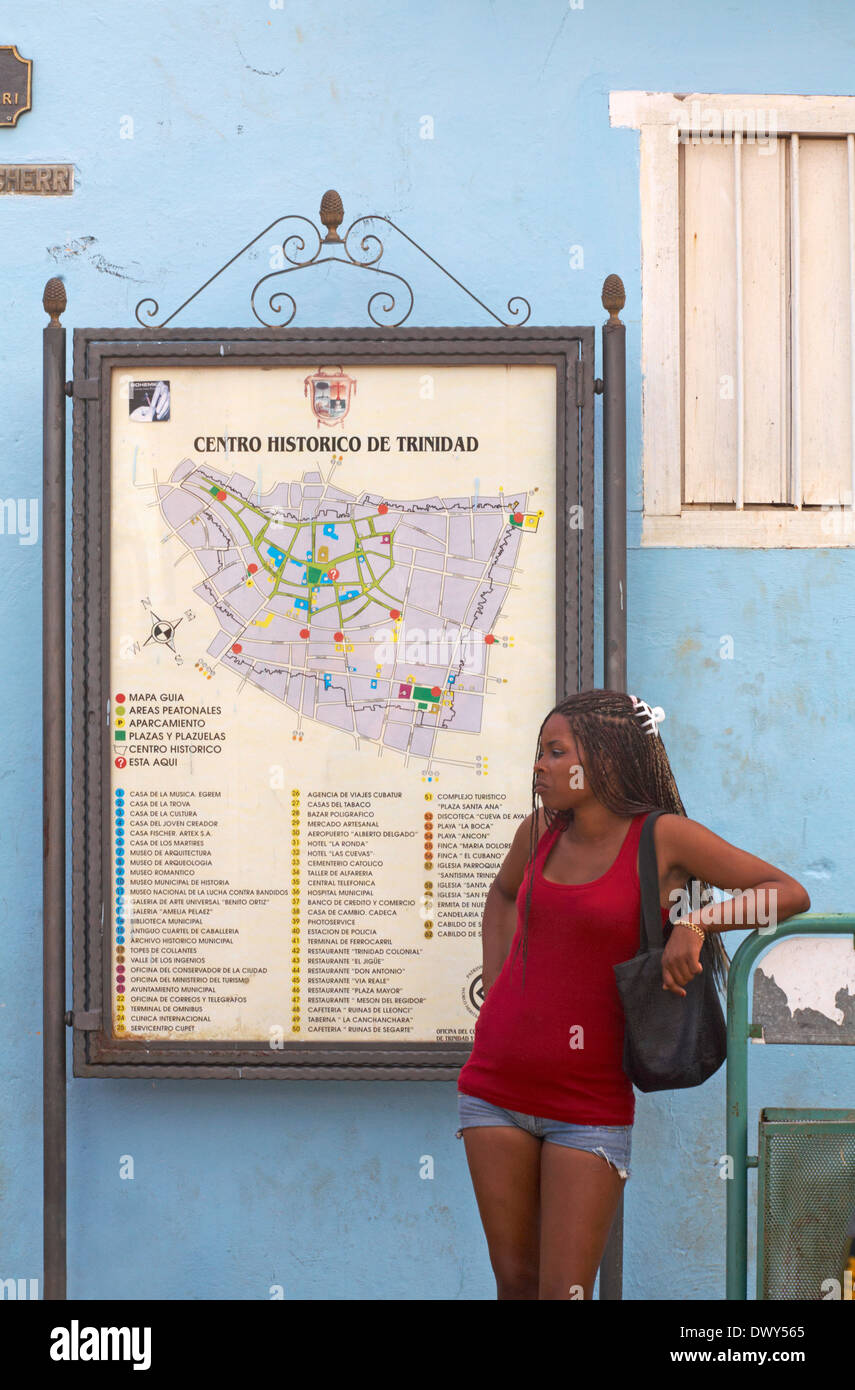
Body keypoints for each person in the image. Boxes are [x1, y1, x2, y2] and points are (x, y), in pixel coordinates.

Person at [455, 688, 811, 1300]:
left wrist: (698, 923)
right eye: (540, 751)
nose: (539, 765)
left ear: (606, 759)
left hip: (588, 1104)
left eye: (555, 751)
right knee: (514, 1284)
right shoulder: (538, 832)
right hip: (494, 1087)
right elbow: (504, 895)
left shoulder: (664, 838)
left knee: (563, 1292)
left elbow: (786, 892)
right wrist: (499, 985)